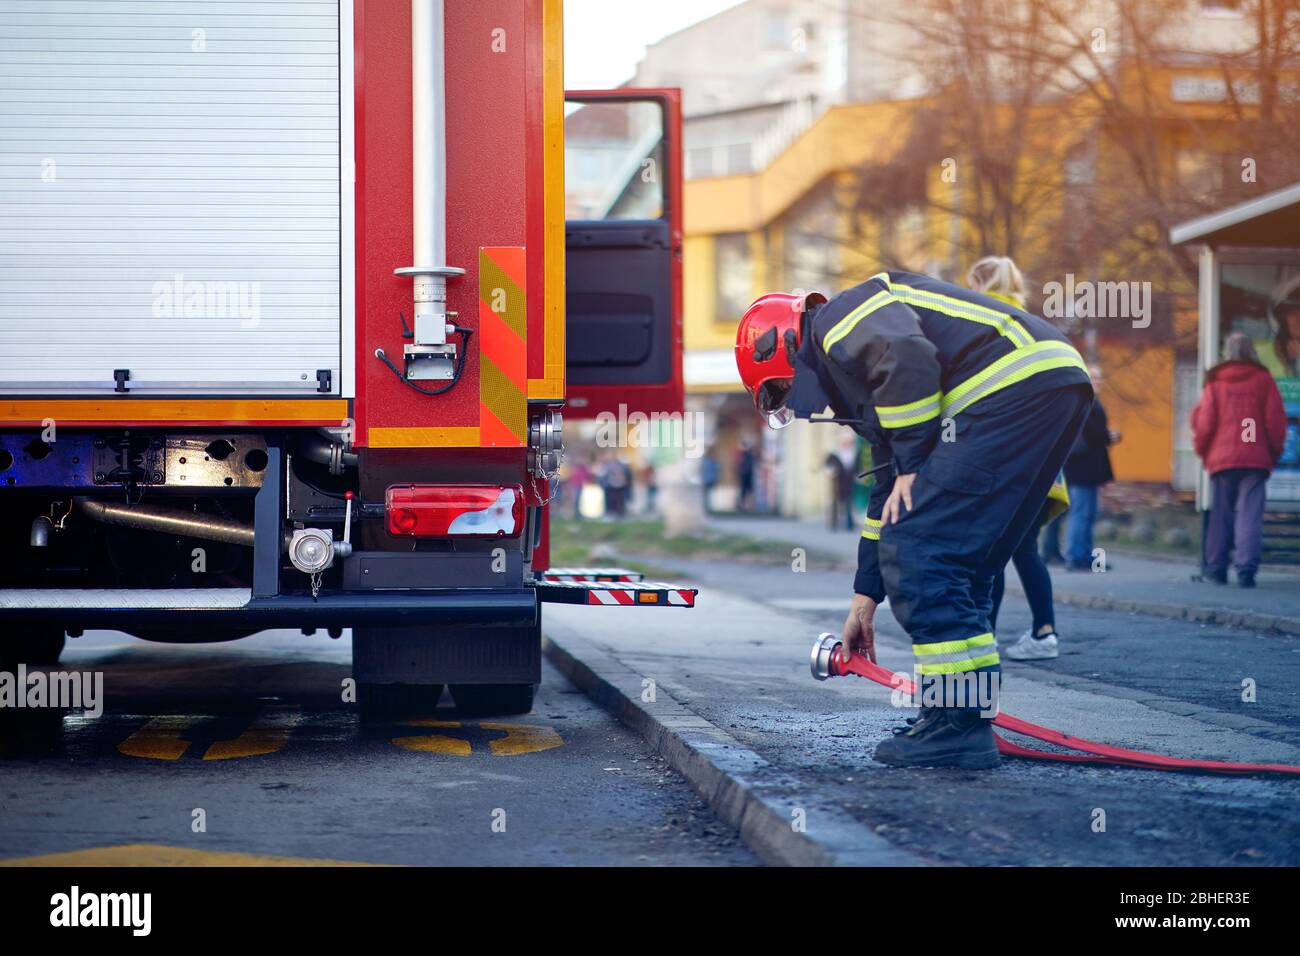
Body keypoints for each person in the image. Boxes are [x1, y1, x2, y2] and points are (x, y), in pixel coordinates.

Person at [735, 270, 1092, 769]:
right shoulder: (861, 375)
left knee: (923, 548)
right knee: (966, 564)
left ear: (782, 345)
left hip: (1010, 386)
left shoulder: (837, 320)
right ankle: (962, 714)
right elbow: (887, 495)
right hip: (1046, 382)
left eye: (777, 392)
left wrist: (912, 459)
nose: (790, 403)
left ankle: (956, 722)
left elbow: (907, 354)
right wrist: (866, 596)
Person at [966, 255, 1064, 660]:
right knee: (1024, 548)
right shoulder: (1033, 323)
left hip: (1009, 460)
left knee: (994, 550)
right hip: (1044, 459)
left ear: (980, 285)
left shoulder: (989, 324)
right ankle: (1044, 631)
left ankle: (988, 637)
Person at [1192, 332, 1286, 588]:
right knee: (1250, 515)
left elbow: (1205, 423)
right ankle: (1246, 570)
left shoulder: (1215, 382)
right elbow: (1275, 422)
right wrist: (1273, 452)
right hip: (1255, 459)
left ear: (1227, 351)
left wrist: (1203, 451)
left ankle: (1217, 569)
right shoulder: (1264, 380)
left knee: (1220, 515)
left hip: (1221, 460)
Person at [1063, 365, 1118, 572]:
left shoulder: (1085, 401)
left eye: (1100, 377)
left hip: (1085, 468)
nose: (1098, 381)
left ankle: (1084, 555)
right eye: (1094, 377)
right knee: (1081, 513)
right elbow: (1094, 433)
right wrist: (1109, 436)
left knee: (1088, 513)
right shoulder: (1085, 402)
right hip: (1082, 468)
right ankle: (1076, 556)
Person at [824, 432, 859, 531]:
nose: (847, 444)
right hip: (837, 483)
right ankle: (834, 524)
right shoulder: (834, 453)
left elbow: (856, 467)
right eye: (845, 442)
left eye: (849, 442)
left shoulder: (854, 453)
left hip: (849, 482)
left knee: (849, 503)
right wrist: (831, 471)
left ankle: (850, 524)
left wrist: (858, 475)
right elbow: (828, 466)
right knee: (835, 504)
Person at [735, 441, 757, 512]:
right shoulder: (747, 455)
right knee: (746, 490)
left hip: (746, 475)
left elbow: (745, 465)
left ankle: (747, 505)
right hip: (746, 475)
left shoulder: (746, 455)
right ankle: (746, 505)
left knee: (746, 491)